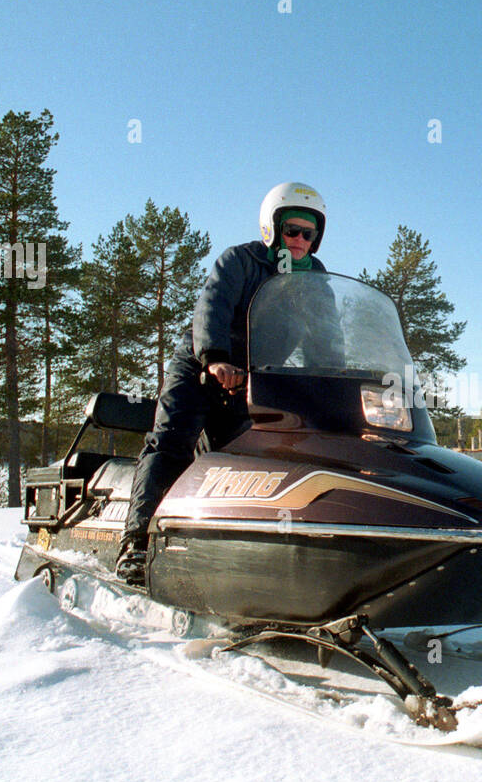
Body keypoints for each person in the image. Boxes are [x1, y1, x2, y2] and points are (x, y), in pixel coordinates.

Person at [116, 182, 330, 584]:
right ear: (272, 228)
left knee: (250, 458)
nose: (300, 241)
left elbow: (327, 333)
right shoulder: (240, 260)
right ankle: (136, 546)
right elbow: (212, 307)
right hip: (203, 365)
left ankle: (237, 549)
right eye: (292, 231)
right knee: (171, 440)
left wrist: (337, 374)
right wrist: (214, 359)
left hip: (254, 377)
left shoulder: (315, 279)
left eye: (308, 233)